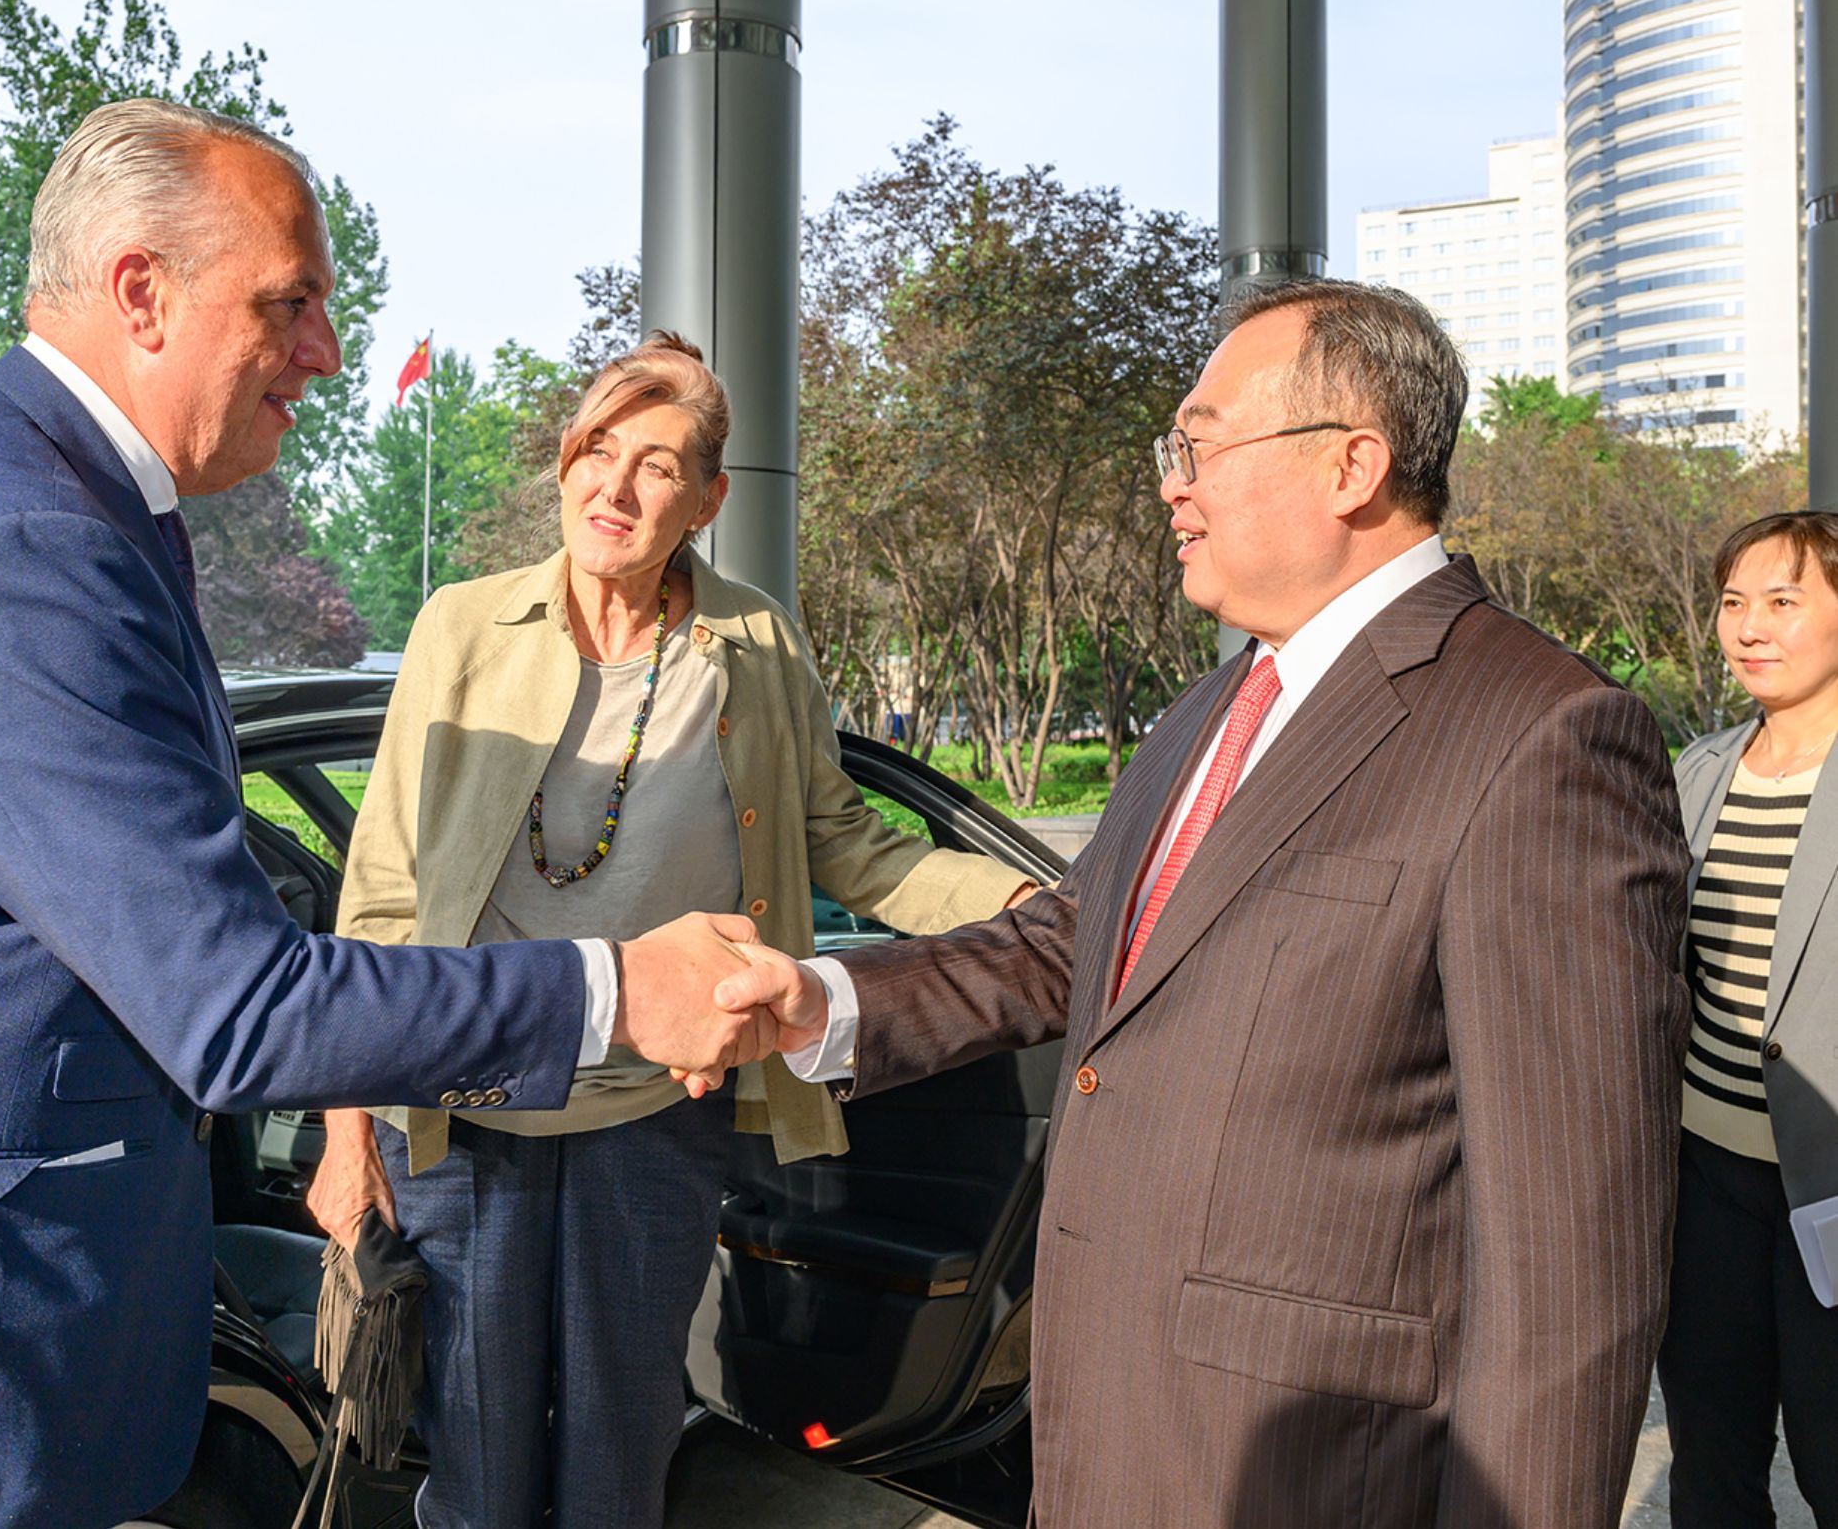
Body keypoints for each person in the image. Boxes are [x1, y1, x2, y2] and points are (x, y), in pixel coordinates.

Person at [0, 101, 784, 1529]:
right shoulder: (23, 546)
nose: (327, 351)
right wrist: (617, 987)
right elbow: (235, 1010)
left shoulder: (37, 494)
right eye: (291, 303)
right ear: (142, 292)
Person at [714, 279, 1692, 1528]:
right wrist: (820, 998)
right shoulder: (1213, 710)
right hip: (1118, 1420)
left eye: (1201, 442)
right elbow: (1074, 941)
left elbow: (1571, 1268)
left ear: (1353, 465)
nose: (1173, 482)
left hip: (1325, 1469)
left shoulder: (1542, 733)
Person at [302, 333, 1034, 1528]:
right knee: (477, 1477)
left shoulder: (753, 646)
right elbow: (380, 894)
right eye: (596, 449)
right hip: (461, 1111)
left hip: (654, 1114)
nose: (616, 485)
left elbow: (847, 846)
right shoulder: (462, 626)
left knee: (615, 1469)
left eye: (656, 463)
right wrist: (345, 1137)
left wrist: (1030, 906)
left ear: (705, 499)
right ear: (561, 464)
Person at [1656, 511, 1838, 1524]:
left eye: (1783, 600)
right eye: (1733, 603)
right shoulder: (1700, 771)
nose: (1747, 627)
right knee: (1714, 1467)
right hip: (1706, 1186)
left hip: (1830, 1190)